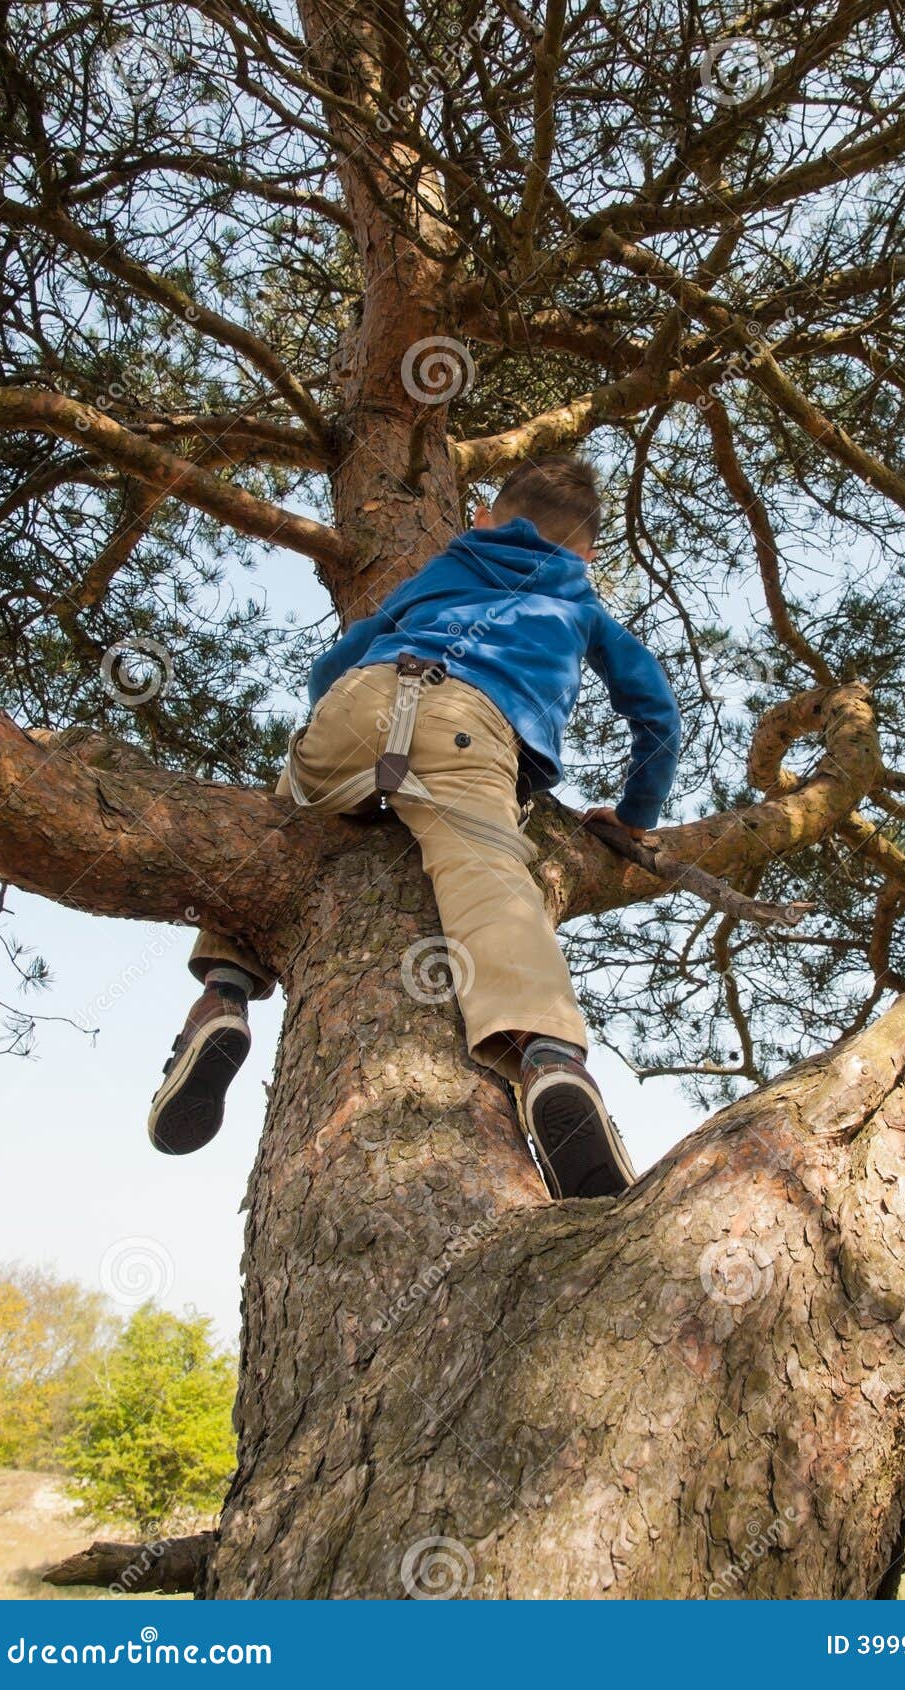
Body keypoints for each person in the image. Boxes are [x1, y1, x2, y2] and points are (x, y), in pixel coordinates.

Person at [147, 455, 681, 1199]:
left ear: (484, 520)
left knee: (286, 817)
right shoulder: (580, 604)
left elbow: (334, 661)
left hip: (364, 703)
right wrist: (633, 816)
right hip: (473, 731)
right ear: (587, 555)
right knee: (493, 885)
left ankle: (225, 992)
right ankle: (551, 1059)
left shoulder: (443, 570)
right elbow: (657, 715)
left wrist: (351, 704)